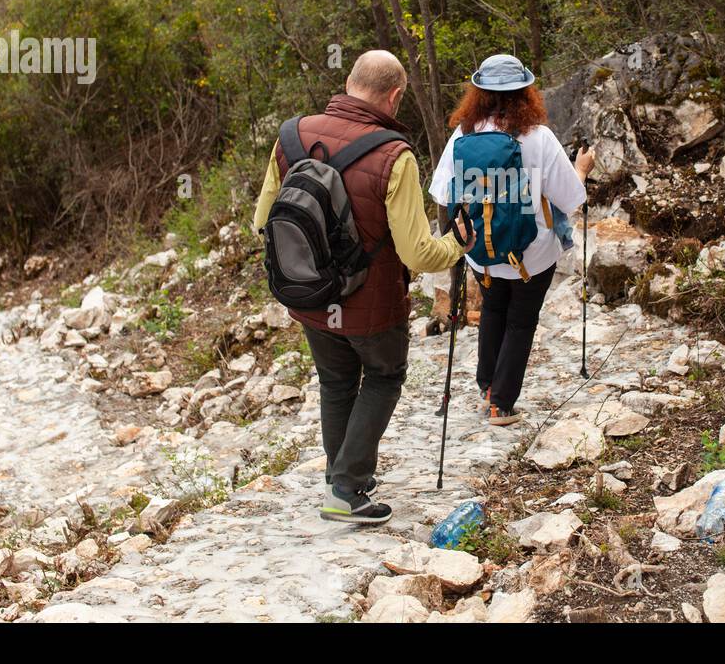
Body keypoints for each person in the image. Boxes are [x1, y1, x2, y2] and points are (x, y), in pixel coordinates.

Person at [252, 50, 474, 526]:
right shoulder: (394, 155)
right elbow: (417, 254)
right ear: (395, 96)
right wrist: (457, 244)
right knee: (383, 377)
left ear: (348, 82)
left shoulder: (291, 136)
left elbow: (261, 221)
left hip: (309, 297)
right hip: (371, 304)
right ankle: (348, 490)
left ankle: (341, 476)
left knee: (335, 382)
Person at [429, 54, 594, 426]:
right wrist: (581, 169)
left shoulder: (464, 136)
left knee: (493, 309)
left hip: (481, 251)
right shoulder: (539, 138)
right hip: (531, 253)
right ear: (526, 93)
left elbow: (441, 193)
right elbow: (572, 199)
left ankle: (488, 384)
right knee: (520, 321)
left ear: (479, 95)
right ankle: (501, 404)